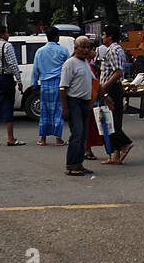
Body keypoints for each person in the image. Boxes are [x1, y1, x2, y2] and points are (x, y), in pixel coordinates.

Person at [97, 25, 133, 165]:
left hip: (111, 88)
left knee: (108, 121)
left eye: (104, 34)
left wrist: (104, 87)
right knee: (113, 121)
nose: (102, 37)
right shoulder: (113, 49)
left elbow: (118, 72)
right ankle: (115, 155)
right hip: (111, 87)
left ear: (110, 36)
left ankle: (125, 144)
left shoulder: (113, 50)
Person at [60, 36, 95, 176]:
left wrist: (105, 96)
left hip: (85, 102)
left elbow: (94, 81)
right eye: (83, 47)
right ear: (76, 49)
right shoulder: (70, 64)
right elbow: (63, 87)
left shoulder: (85, 63)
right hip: (73, 102)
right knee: (77, 133)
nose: (86, 50)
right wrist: (65, 107)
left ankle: (79, 163)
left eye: (88, 47)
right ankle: (71, 165)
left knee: (83, 135)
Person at [31, 26, 69, 147]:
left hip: (45, 85)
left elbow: (35, 69)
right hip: (59, 84)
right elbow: (68, 67)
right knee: (58, 111)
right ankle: (58, 139)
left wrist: (33, 83)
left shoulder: (40, 51)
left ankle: (43, 138)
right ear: (57, 36)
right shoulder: (63, 51)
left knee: (45, 111)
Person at [0, 25, 23, 146]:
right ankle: (10, 138)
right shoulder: (6, 46)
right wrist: (19, 79)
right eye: (7, 32)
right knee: (8, 106)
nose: (8, 35)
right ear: (3, 34)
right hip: (5, 79)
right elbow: (13, 64)